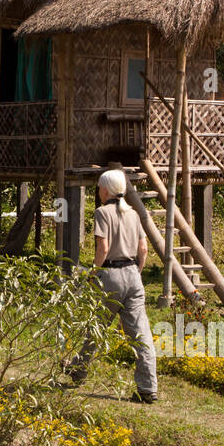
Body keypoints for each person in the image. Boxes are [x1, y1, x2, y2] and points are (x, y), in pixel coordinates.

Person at [67, 168, 158, 403]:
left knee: (97, 326)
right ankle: (148, 388)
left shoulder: (101, 212)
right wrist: (135, 272)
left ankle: (79, 369)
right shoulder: (134, 214)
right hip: (132, 274)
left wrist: (94, 273)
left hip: (110, 274)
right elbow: (144, 250)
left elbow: (103, 249)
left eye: (99, 188)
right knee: (141, 334)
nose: (98, 192)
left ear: (105, 189)